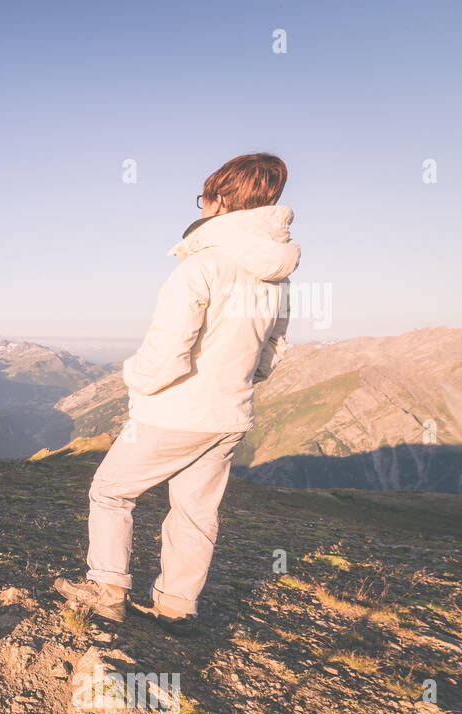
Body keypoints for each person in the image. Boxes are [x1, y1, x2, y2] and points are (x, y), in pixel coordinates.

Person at [55, 153, 300, 629]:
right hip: (229, 415)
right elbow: (273, 346)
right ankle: (175, 606)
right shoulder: (277, 276)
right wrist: (242, 380)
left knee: (110, 491)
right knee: (194, 510)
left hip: (175, 414)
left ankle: (107, 589)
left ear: (221, 201)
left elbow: (168, 353)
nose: (202, 205)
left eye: (205, 196)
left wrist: (135, 380)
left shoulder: (201, 267)